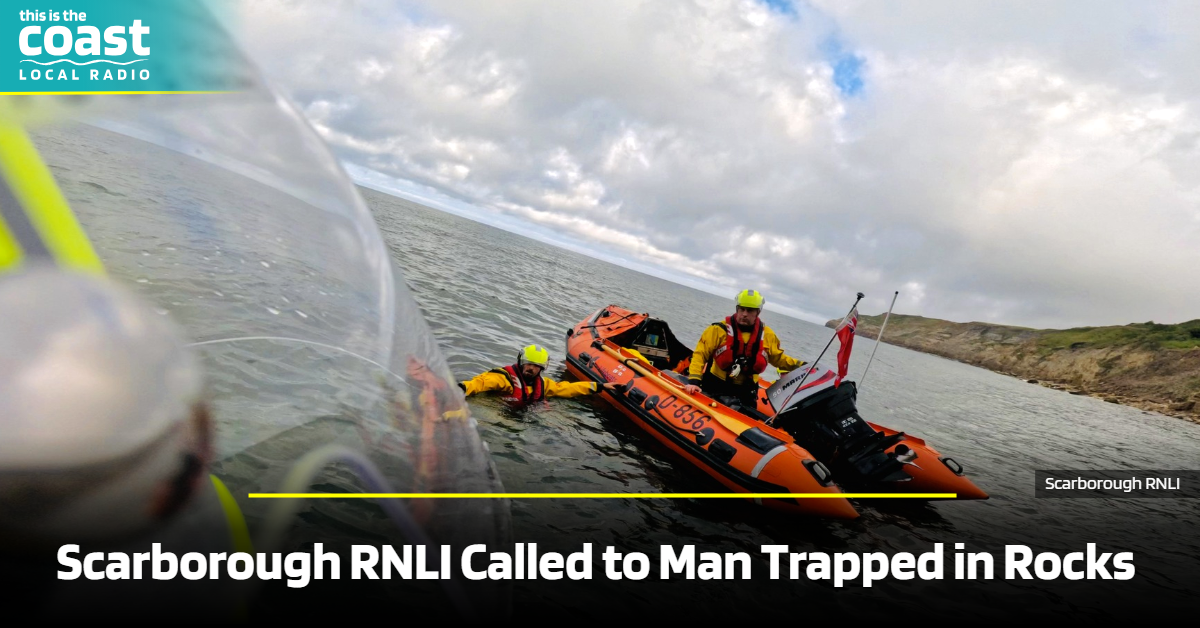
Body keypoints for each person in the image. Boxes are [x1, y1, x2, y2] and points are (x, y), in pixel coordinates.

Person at [682, 289, 806, 409]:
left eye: (750, 310)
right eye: (742, 309)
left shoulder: (767, 335)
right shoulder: (718, 330)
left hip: (747, 391)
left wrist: (802, 365)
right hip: (716, 385)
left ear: (758, 312)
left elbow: (779, 359)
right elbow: (700, 355)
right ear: (737, 309)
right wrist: (694, 381)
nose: (744, 314)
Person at [459, 344, 622, 405]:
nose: (531, 368)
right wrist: (462, 388)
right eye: (529, 364)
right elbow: (480, 382)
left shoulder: (543, 384)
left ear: (541, 368)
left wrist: (599, 386)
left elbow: (566, 389)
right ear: (522, 362)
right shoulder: (503, 378)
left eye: (536, 366)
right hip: (497, 408)